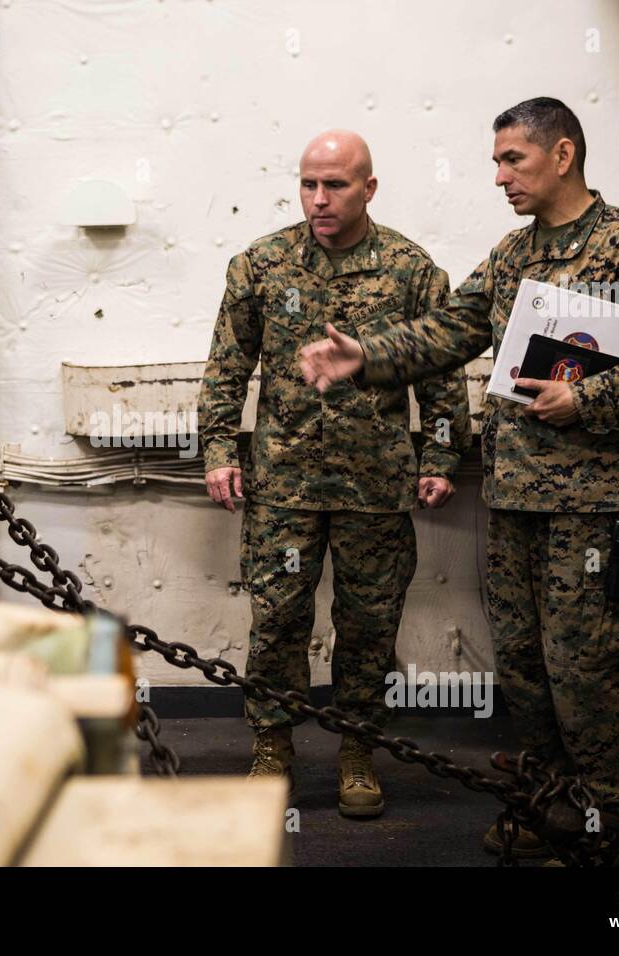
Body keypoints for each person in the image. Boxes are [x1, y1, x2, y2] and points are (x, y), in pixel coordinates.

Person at [299, 98, 619, 855]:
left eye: (511, 160)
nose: (499, 177)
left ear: (562, 156)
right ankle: (554, 815)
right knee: (525, 671)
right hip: (515, 497)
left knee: (588, 675)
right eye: (496, 162)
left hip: (592, 506)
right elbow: (451, 327)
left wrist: (589, 397)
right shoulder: (514, 255)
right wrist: (367, 354)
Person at [198, 129, 471, 818]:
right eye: (308, 183)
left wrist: (441, 456)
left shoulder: (412, 270)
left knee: (369, 624)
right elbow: (227, 368)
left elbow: (441, 375)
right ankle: (272, 748)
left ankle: (357, 751)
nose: (319, 198)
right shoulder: (259, 265)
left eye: (336, 185)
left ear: (368, 188)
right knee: (279, 618)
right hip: (284, 484)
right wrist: (220, 451)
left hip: (374, 487)